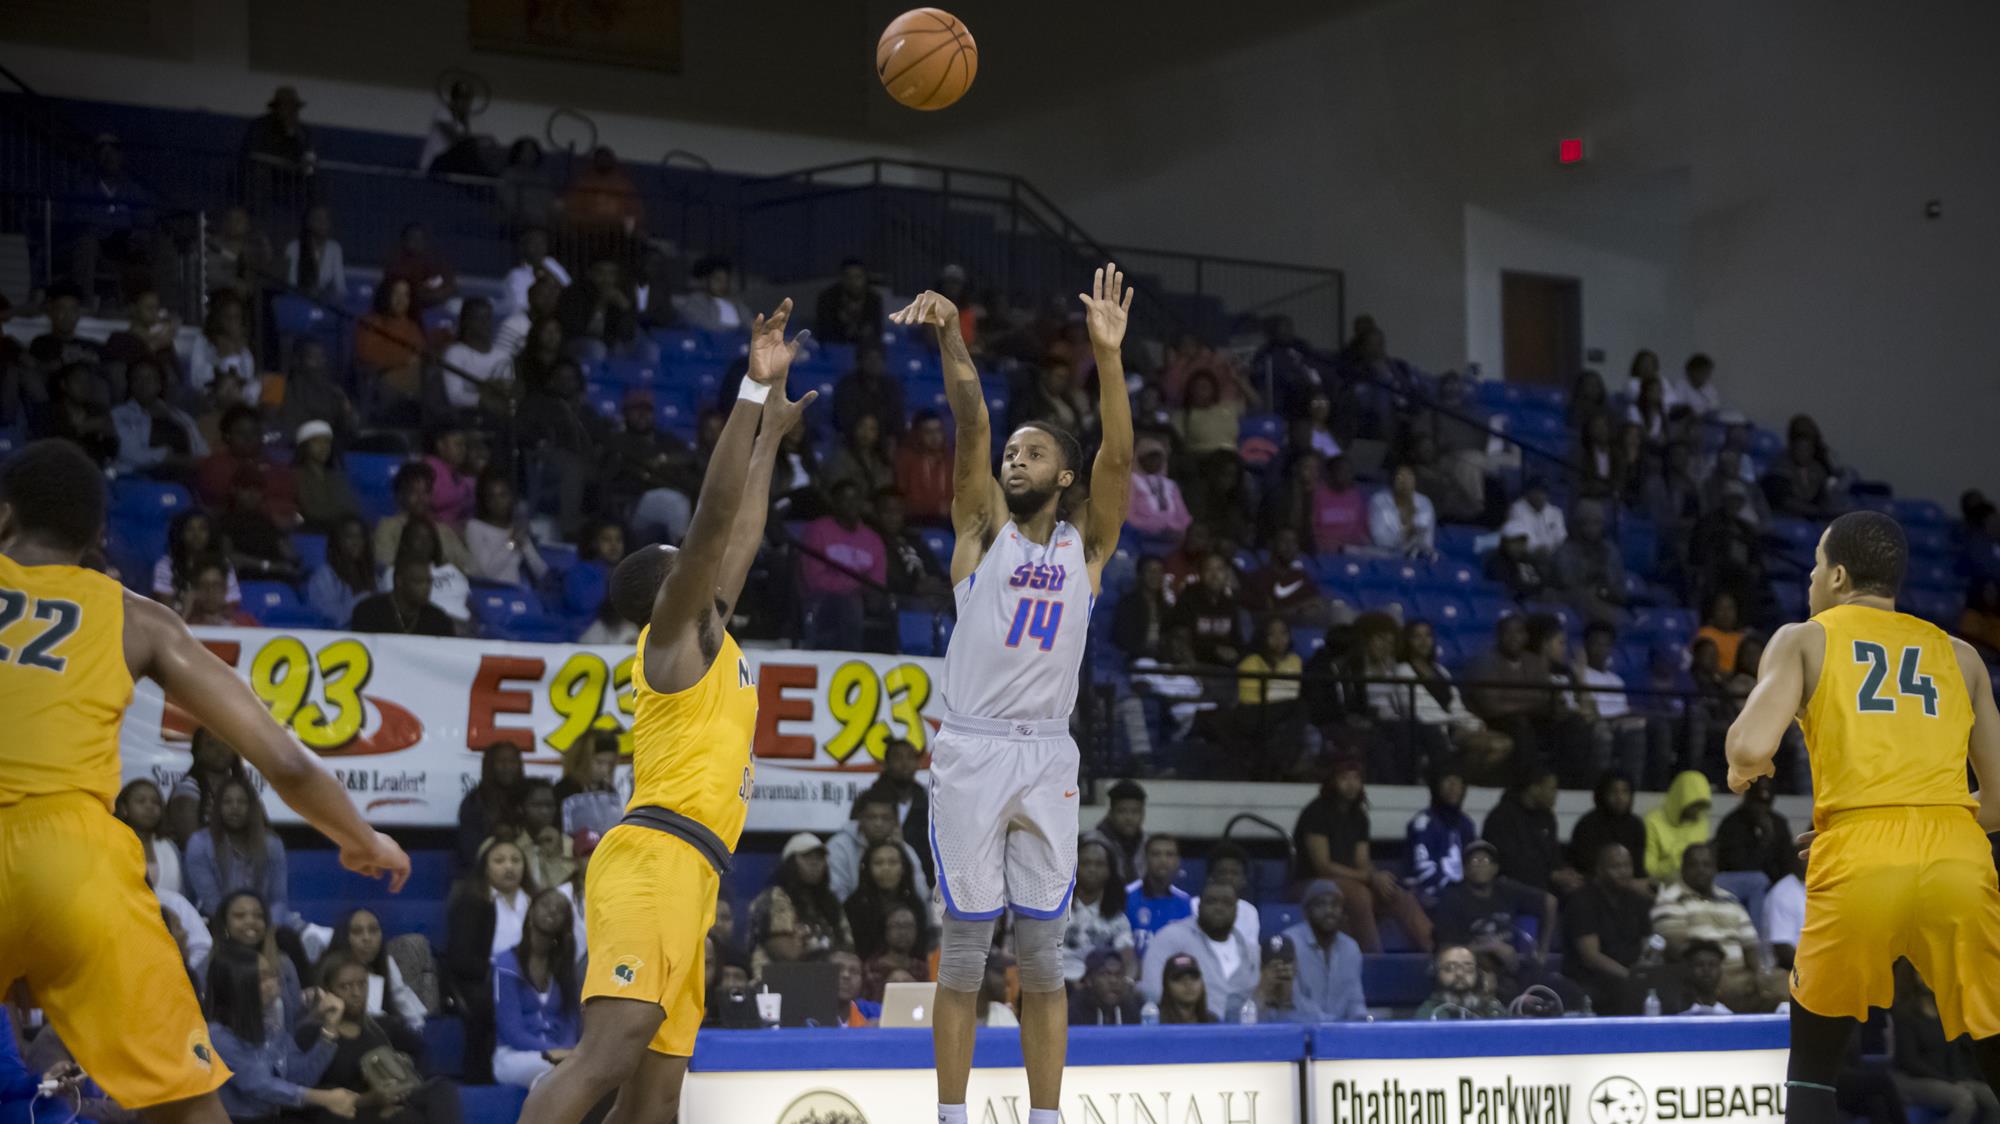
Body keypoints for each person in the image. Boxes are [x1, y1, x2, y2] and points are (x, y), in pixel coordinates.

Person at [515, 300, 813, 1124]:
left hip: (695, 873)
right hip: (653, 858)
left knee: (657, 1098)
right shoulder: (671, 636)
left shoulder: (712, 630)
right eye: (691, 563)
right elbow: (716, 518)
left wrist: (772, 448)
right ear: (667, 587)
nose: (710, 563)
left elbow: (741, 528)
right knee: (606, 1057)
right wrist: (752, 398)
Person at [886, 268, 1137, 1124]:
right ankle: (953, 1116)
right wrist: (954, 335)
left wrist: (1107, 358)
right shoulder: (979, 529)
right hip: (972, 744)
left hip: (1046, 750)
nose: (1013, 458)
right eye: (1013, 451)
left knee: (1044, 957)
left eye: (1034, 452)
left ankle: (1045, 1117)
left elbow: (1120, 456)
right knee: (963, 954)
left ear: (1064, 476)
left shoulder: (1088, 548)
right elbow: (970, 418)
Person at [1725, 512, 2000, 1119]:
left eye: (1816, 566)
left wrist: (1745, 770)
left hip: (1858, 853)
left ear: (1839, 575)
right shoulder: (1963, 656)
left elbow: (1749, 746)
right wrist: (1935, 827)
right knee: (1993, 1029)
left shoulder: (1805, 636)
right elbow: (1998, 801)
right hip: (1958, 849)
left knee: (1815, 1063)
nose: (1811, 580)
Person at [1292, 759, 1434, 952]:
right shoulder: (1316, 812)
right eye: (1344, 778)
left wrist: (1379, 879)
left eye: (1356, 778)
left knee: (1399, 895)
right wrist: (1370, 877)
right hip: (1310, 883)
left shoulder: (1358, 816)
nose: (1351, 784)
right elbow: (1323, 866)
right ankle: (1374, 961)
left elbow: (1362, 862)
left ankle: (1437, 952)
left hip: (1349, 881)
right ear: (1332, 781)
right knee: (1360, 895)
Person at [204, 944, 354, 1122]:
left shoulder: (270, 1027)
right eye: (262, 978)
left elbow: (301, 1078)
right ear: (238, 985)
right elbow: (261, 1086)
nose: (273, 982)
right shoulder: (217, 1036)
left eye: (271, 974)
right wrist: (324, 1098)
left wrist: (329, 1030)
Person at [306, 952, 457, 1124]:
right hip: (345, 1113)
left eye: (362, 984)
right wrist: (370, 1099)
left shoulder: (376, 1029)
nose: (356, 993)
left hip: (384, 1106)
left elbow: (411, 1057)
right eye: (345, 986)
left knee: (441, 1088)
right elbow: (307, 1095)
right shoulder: (312, 1031)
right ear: (327, 991)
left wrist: (403, 1073)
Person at [1650, 841, 1777, 1011]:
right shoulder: (1670, 899)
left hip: (1744, 975)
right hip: (1706, 975)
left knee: (1788, 984)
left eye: (1706, 865)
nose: (1701, 870)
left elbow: (1750, 945)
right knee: (1746, 991)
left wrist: (1759, 975)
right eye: (1694, 865)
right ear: (1683, 869)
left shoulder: (1730, 899)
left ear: (1715, 869)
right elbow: (1678, 950)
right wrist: (1717, 972)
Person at [492, 890, 583, 1090]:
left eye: (560, 909)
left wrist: (567, 1051)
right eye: (546, 904)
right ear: (531, 911)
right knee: (555, 1075)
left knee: (586, 1073)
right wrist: (555, 1052)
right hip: (514, 1055)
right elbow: (512, 1032)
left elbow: (571, 1020)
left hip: (561, 1055)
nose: (552, 910)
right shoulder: (506, 963)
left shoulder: (564, 968)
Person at [1430, 840, 1558, 978]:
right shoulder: (1452, 898)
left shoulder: (1507, 889)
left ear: (1495, 868)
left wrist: (1542, 952)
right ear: (1465, 869)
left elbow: (1550, 902)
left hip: (1510, 969)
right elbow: (1445, 952)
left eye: (1485, 860)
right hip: (1470, 972)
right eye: (1474, 861)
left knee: (1563, 989)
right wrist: (1492, 947)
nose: (1479, 864)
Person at [1890, 962, 1999, 1124]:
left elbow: (1956, 1050)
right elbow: (1910, 1062)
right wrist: (1949, 1081)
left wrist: (1960, 1078)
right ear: (1911, 977)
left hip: (1948, 1077)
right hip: (1916, 1079)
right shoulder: (1904, 1014)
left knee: (1993, 1099)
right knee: (1964, 1100)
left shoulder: (1945, 1012)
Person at [1139, 876, 1256, 1021]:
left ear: (1236, 910)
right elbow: (1152, 991)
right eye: (1211, 901)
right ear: (1198, 907)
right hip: (1185, 1031)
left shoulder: (1248, 950)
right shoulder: (1171, 936)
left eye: (1227, 903)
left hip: (1239, 1036)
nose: (1219, 908)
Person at [1562, 843, 1657, 1015]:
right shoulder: (1582, 901)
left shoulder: (1638, 900)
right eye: (1616, 867)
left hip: (1631, 974)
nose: (1623, 872)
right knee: (1624, 993)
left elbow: (1647, 942)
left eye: (1627, 866)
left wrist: (1645, 970)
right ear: (1600, 870)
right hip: (1592, 978)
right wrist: (1631, 977)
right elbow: (1591, 957)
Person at [184, 776, 290, 922]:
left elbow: (278, 900)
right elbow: (212, 903)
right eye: (227, 802)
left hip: (264, 922)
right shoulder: (199, 843)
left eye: (242, 802)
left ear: (253, 807)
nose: (235, 807)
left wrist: (269, 931)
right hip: (216, 923)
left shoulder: (272, 843)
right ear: (217, 807)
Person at [799, 480, 887, 650]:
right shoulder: (817, 530)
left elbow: (878, 582)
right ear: (834, 503)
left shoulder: (873, 539)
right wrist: (854, 586)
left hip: (865, 600)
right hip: (824, 600)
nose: (851, 505)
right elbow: (814, 580)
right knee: (848, 604)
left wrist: (864, 591)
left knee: (896, 604)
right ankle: (851, 658)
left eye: (856, 499)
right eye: (845, 499)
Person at [1481, 767, 1584, 895]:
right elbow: (1508, 864)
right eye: (1552, 789)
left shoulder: (1546, 817)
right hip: (1510, 889)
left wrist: (1565, 871)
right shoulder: (1501, 818)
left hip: (1546, 885)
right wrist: (1551, 876)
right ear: (1534, 788)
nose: (1556, 794)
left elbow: (1554, 856)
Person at [324, 908, 427, 1030]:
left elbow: (414, 1018)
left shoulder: (386, 964)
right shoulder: (327, 971)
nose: (367, 938)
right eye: (357, 932)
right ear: (343, 936)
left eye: (373, 931)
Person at [826, 785, 930, 905]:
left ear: (895, 821)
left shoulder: (904, 849)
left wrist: (901, 851)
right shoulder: (839, 846)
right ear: (860, 819)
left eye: (885, 818)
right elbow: (836, 895)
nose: (878, 824)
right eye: (872, 817)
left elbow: (922, 895)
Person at [1280, 880, 1367, 1021]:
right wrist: (1332, 1024)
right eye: (1321, 904)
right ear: (1307, 912)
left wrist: (1361, 1019)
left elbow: (1355, 999)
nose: (1329, 911)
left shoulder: (1351, 948)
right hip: (1300, 1032)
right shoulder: (1290, 942)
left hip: (1340, 1035)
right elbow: (1292, 1001)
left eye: (1335, 905)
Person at [371, 463, 475, 575]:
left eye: (426, 492)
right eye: (413, 492)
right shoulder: (388, 527)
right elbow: (385, 566)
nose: (421, 498)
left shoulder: (442, 529)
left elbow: (467, 566)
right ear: (400, 495)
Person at [113, 358, 207, 479]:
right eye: (137, 378)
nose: (143, 384)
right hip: (136, 479)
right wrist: (170, 458)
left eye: (149, 379)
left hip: (183, 480)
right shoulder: (119, 414)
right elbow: (131, 455)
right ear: (130, 384)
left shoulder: (180, 416)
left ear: (159, 384)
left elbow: (201, 450)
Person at [1060, 839, 1135, 983]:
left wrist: (1128, 982)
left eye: (1099, 864)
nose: (1092, 869)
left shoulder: (1118, 919)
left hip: (1098, 988)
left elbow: (1128, 958)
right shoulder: (1055, 910)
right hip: (1058, 983)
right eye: (1085, 863)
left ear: (1109, 871)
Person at [843, 839, 929, 961]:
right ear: (867, 868)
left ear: (903, 868)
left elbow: (920, 952)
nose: (886, 868)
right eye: (878, 863)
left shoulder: (915, 905)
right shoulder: (854, 906)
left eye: (893, 862)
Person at [1405, 766, 1477, 905]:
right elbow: (1424, 871)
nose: (1453, 787)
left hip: (1461, 896)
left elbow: (1472, 862)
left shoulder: (1466, 823)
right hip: (1427, 895)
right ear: (1436, 787)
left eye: (1457, 782)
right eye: (1448, 781)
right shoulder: (1423, 823)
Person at [465, 472, 548, 587]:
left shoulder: (515, 528)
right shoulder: (475, 527)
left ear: (511, 498)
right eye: (491, 497)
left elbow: (541, 572)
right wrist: (511, 543)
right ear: (485, 501)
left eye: (503, 495)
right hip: (487, 594)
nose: (497, 502)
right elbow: (485, 574)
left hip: (514, 594)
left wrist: (525, 544)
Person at [1123, 833, 1191, 958]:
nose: (1163, 860)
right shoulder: (1125, 896)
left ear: (1177, 861)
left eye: (1169, 855)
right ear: (1145, 859)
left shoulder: (1185, 902)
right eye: (1156, 854)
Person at [1568, 771, 1647, 878]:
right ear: (1603, 794)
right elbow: (1586, 868)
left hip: (1630, 886)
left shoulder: (1636, 825)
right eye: (1613, 791)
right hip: (1594, 887)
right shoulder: (1587, 825)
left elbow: (1638, 866)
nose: (1620, 797)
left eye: (1625, 791)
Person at [350, 557, 455, 637]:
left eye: (429, 582)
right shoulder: (368, 612)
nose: (427, 588)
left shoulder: (439, 619)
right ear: (399, 581)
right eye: (419, 582)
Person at [116, 778, 186, 898]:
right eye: (141, 801)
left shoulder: (170, 847)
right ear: (124, 809)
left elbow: (182, 893)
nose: (149, 806)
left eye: (155, 802)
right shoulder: (112, 844)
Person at [830, 342, 907, 444]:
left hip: (884, 441)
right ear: (860, 361)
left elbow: (897, 419)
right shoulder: (847, 385)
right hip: (853, 441)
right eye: (869, 358)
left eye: (878, 358)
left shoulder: (892, 386)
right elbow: (843, 419)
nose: (874, 363)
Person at [1642, 769, 1712, 881]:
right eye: (1695, 805)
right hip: (1662, 885)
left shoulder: (1701, 821)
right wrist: (1679, 858)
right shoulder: (1652, 822)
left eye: (1702, 806)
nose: (1698, 811)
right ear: (1681, 799)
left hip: (1696, 882)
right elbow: (1649, 868)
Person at [307, 516, 375, 628]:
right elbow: (332, 619)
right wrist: (363, 600)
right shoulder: (324, 576)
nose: (356, 542)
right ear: (336, 540)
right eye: (349, 537)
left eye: (360, 537)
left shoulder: (373, 575)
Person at [1079, 779, 1149, 888]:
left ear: (1143, 814)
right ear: (1111, 813)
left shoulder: (1148, 844)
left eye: (1135, 812)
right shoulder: (1092, 842)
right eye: (1122, 811)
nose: (1129, 818)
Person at [1414, 944, 1507, 1020]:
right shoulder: (1427, 1013)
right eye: (1450, 968)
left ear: (1478, 974)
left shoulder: (1494, 1010)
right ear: (1436, 974)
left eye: (1468, 968)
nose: (1460, 973)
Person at [895, 411, 955, 525]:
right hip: (915, 521)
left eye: (938, 430)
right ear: (918, 434)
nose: (935, 437)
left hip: (949, 522)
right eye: (928, 432)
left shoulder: (951, 459)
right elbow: (903, 499)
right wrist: (934, 508)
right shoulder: (905, 459)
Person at [1368, 465, 1437, 558]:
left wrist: (1412, 538)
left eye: (1409, 477)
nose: (1404, 481)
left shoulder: (1424, 502)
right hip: (1385, 556)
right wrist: (1403, 537)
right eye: (1400, 477)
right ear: (1393, 480)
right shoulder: (1380, 500)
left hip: (1417, 556)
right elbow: (1379, 538)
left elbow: (1426, 539)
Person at [283, 204, 347, 305]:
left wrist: (332, 296)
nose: (323, 223)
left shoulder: (335, 248)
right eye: (318, 219)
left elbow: (340, 286)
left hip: (325, 303)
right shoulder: (294, 247)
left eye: (326, 219)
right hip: (299, 302)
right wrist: (308, 293)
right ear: (308, 222)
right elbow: (291, 284)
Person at [815, 257, 884, 346]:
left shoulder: (873, 299)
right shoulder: (827, 298)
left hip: (864, 350)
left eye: (858, 277)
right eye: (848, 277)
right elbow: (823, 332)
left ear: (865, 278)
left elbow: (876, 331)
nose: (853, 282)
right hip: (835, 347)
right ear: (842, 278)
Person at [672, 257, 751, 333]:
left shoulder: (736, 304)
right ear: (705, 280)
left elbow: (750, 324)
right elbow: (704, 326)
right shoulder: (695, 302)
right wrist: (737, 331)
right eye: (717, 280)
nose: (723, 284)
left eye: (726, 280)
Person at [1067, 948, 1143, 1026]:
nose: (1114, 981)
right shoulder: (1073, 1010)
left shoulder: (1134, 1007)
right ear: (1089, 980)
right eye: (1105, 974)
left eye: (1119, 974)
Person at [1154, 954, 1219, 1025]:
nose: (1188, 983)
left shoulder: (1212, 1022)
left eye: (1194, 977)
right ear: (1166, 985)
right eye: (1179, 978)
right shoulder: (1155, 1021)